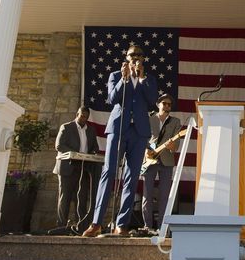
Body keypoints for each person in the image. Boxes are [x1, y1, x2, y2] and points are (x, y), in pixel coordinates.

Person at [81, 43, 159, 237]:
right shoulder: (116, 76)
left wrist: (141, 78)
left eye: (140, 55)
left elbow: (152, 101)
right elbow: (112, 98)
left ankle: (121, 224)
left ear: (143, 59)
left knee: (131, 177)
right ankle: (97, 222)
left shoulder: (148, 79)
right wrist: (124, 79)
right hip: (119, 129)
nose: (136, 58)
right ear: (127, 57)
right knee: (108, 172)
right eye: (133, 55)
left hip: (139, 132)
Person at [52, 106, 99, 232]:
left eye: (86, 117)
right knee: (65, 197)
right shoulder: (66, 127)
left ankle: (81, 226)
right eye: (82, 116)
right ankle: (61, 226)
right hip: (67, 167)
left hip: (83, 168)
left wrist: (92, 154)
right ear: (77, 114)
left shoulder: (91, 130)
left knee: (82, 197)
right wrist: (75, 154)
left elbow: (95, 147)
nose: (84, 119)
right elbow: (59, 145)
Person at [140, 92, 182, 232]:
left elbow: (176, 145)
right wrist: (146, 150)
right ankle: (148, 226)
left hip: (167, 160)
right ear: (158, 104)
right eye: (164, 103)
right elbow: (143, 137)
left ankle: (162, 227)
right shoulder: (149, 118)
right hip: (150, 158)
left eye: (169, 104)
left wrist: (172, 147)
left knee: (165, 195)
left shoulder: (175, 122)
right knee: (147, 194)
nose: (167, 106)